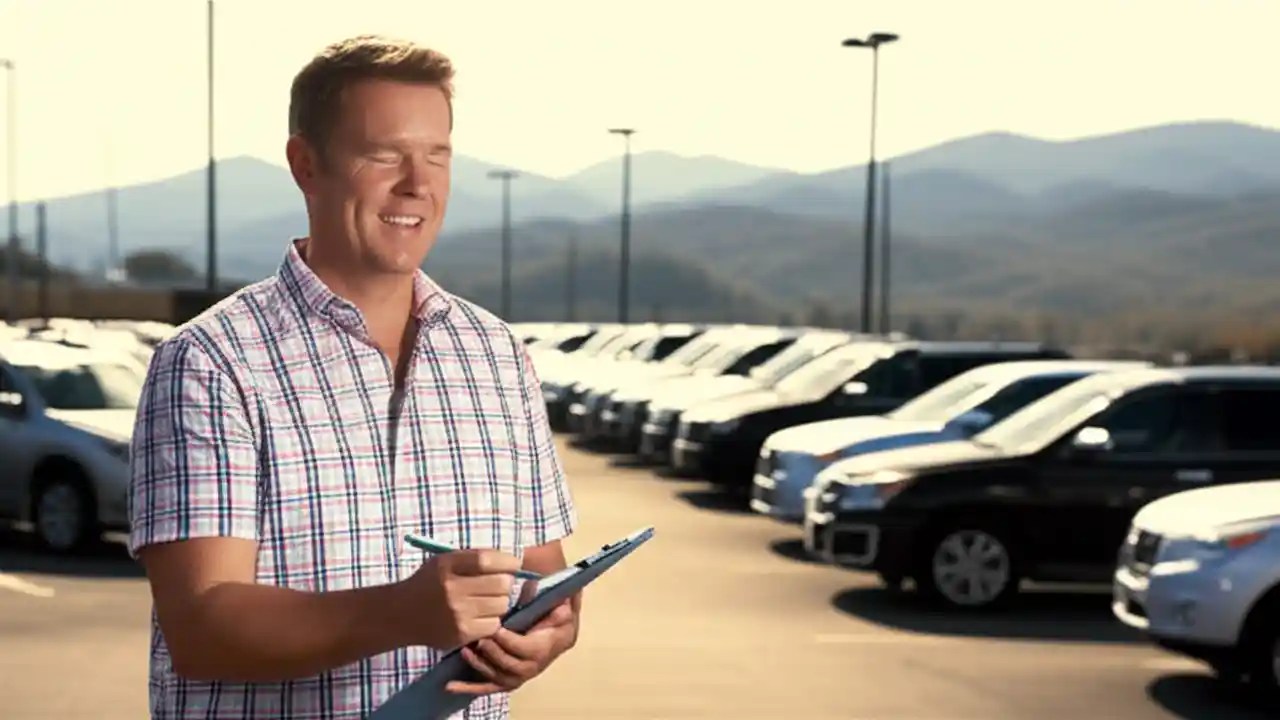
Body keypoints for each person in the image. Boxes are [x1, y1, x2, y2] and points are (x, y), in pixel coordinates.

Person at [128, 34, 580, 719]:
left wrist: (549, 632)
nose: (418, 184)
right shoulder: (211, 363)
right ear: (306, 165)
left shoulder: (496, 355)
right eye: (384, 155)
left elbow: (544, 569)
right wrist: (403, 611)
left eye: (437, 156)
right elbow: (201, 626)